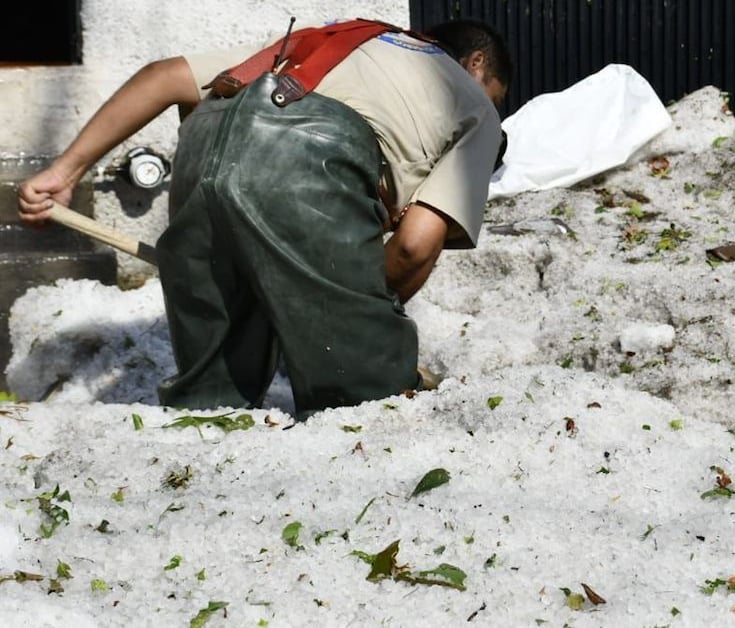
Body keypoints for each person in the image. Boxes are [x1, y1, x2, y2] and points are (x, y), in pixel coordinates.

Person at [16, 18, 513, 420]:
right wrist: (352, 318)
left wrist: (66, 171)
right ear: (476, 65)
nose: (494, 109)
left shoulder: (345, 38)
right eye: (497, 96)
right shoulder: (469, 104)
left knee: (210, 403)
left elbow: (165, 76)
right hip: (312, 168)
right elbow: (413, 245)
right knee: (370, 416)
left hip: (207, 143)